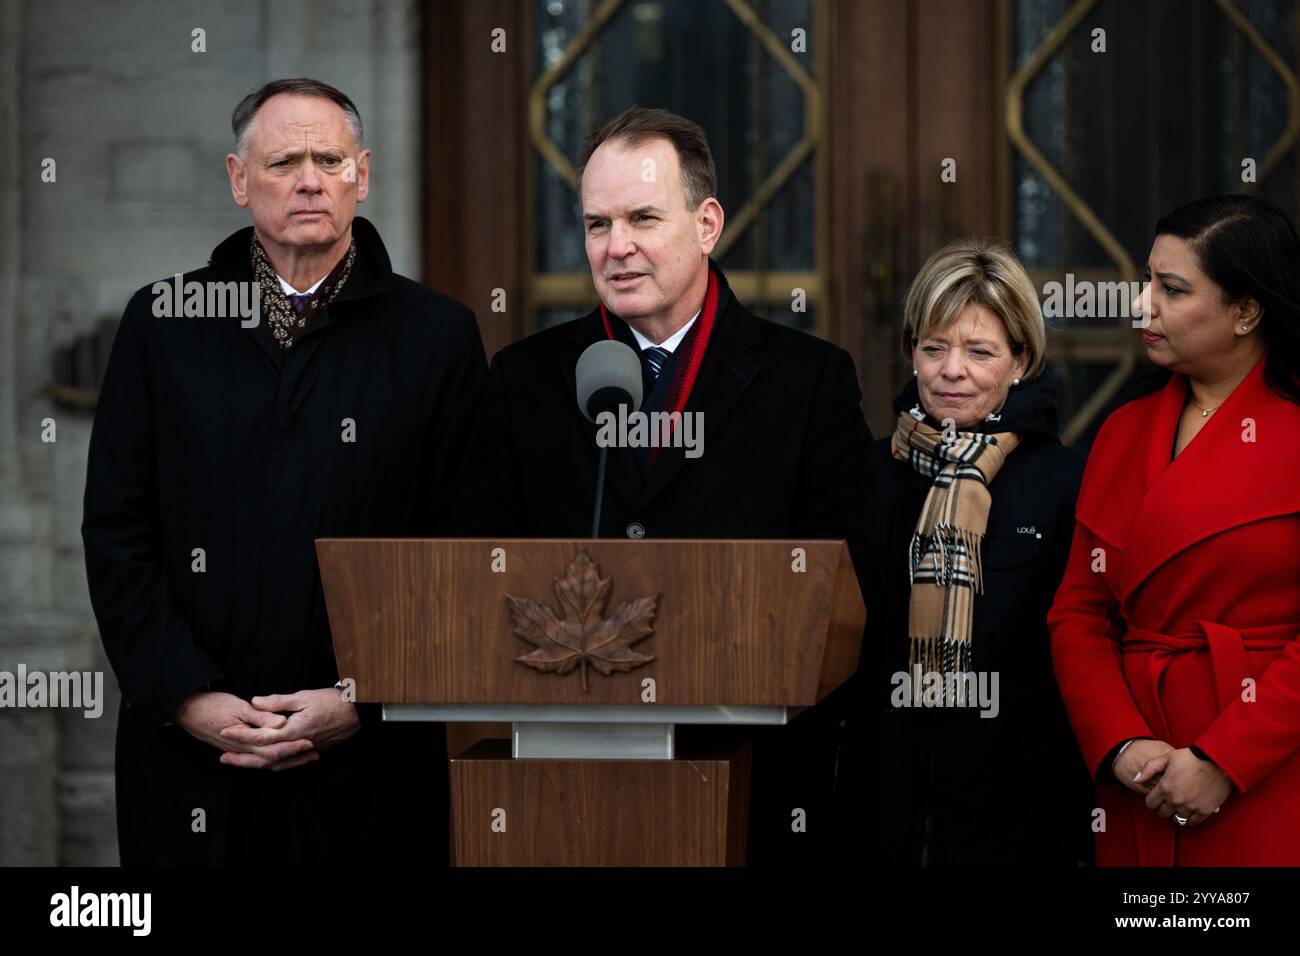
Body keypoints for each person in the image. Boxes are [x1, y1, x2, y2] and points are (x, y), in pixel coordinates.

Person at [455, 106, 876, 864]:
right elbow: (475, 561)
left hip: (755, 781)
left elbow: (845, 582)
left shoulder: (806, 382)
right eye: (595, 225)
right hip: (557, 777)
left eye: (643, 218)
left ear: (707, 223)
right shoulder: (523, 380)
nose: (616, 248)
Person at [82, 78, 486, 865]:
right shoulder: (162, 324)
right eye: (284, 162)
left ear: (361, 175)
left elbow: (462, 543)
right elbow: (117, 533)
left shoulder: (438, 336)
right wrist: (188, 695)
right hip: (190, 757)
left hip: (369, 763)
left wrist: (363, 696)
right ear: (239, 180)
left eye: (329, 160)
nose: (309, 180)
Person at [1049, 194, 1300, 866]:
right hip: (1142, 773)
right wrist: (1122, 743)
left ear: (1247, 311)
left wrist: (1224, 759)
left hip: (1269, 767)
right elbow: (1078, 614)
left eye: (1172, 289)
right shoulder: (1123, 431)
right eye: (1146, 281)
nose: (1141, 305)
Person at [836, 238, 1092, 865]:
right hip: (882, 810)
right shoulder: (866, 477)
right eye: (934, 348)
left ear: (1020, 361)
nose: (952, 370)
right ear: (911, 353)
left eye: (980, 351)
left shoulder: (1066, 485)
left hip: (1018, 815)